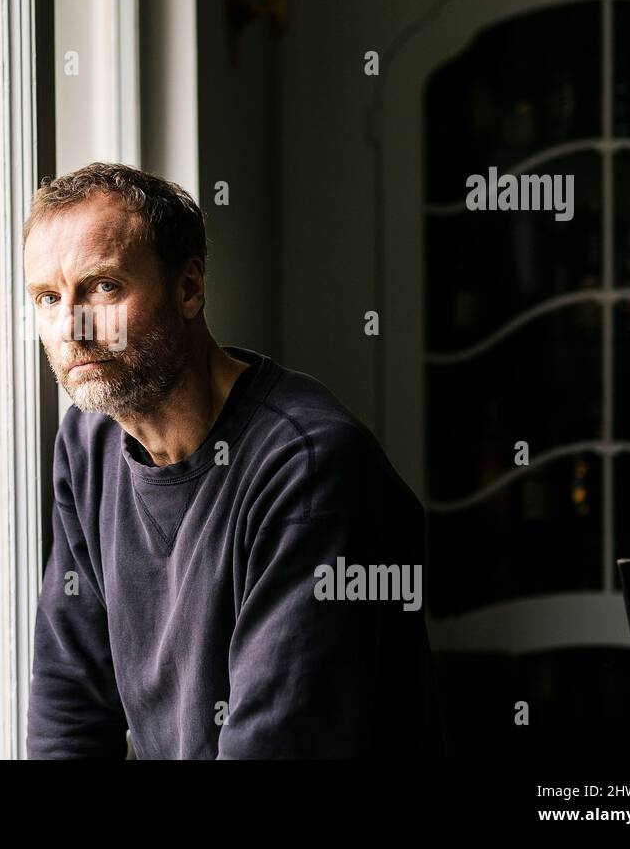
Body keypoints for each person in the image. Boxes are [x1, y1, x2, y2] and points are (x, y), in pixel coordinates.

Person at [22, 162, 444, 759]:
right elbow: (70, 701)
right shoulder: (87, 441)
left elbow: (273, 747)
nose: (73, 328)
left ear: (189, 288)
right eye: (47, 297)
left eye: (104, 287)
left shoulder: (308, 466)